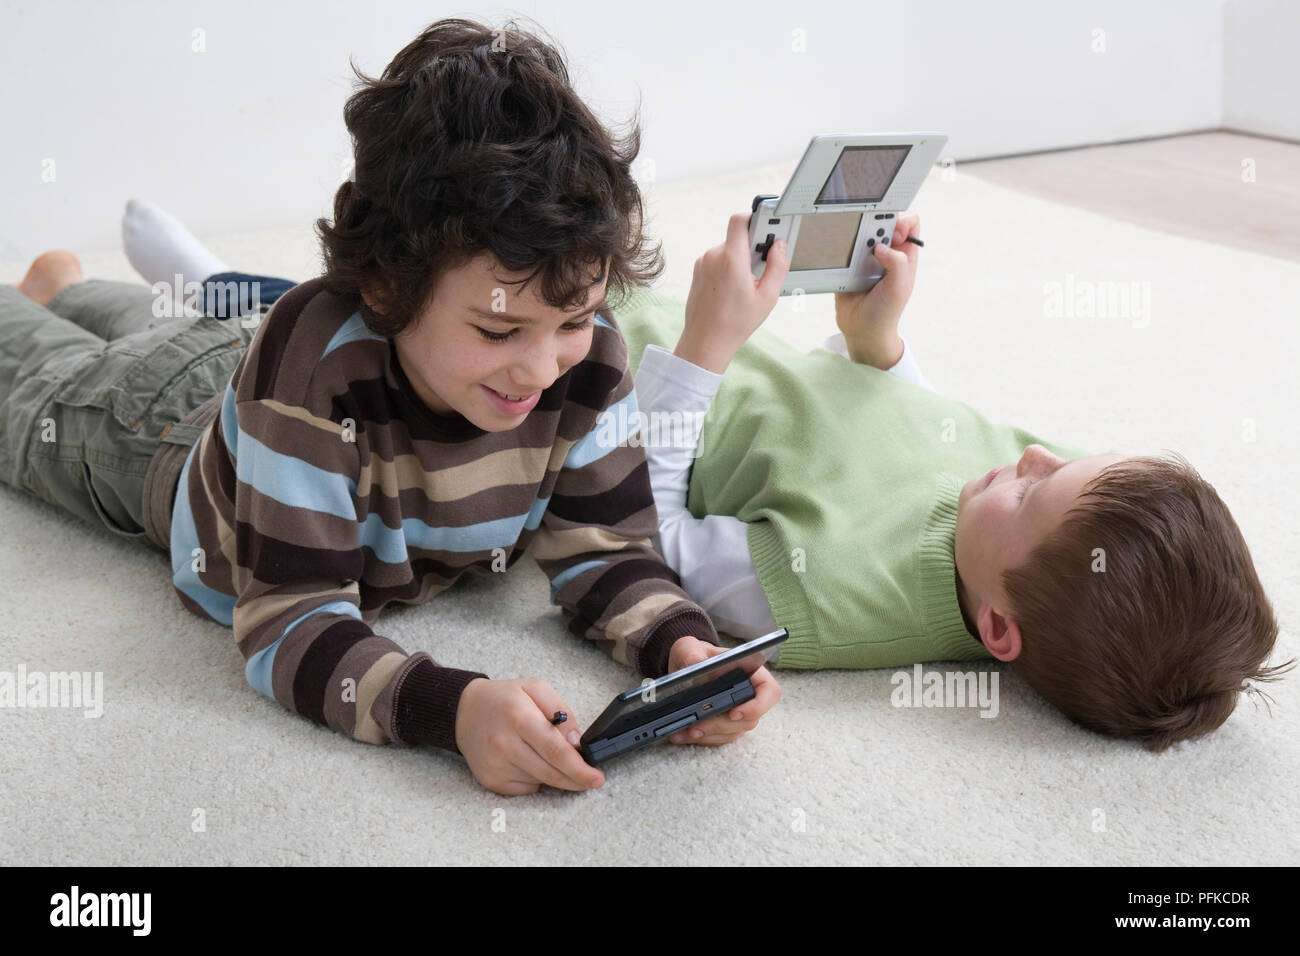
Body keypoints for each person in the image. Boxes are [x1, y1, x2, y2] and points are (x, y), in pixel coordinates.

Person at [0, 17, 785, 797]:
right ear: (384, 288)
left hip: (230, 372)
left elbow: (606, 550)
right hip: (154, 435)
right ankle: (38, 303)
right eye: (498, 329)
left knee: (172, 329)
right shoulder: (311, 368)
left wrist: (682, 649)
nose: (543, 368)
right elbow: (288, 623)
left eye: (573, 321)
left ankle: (66, 286)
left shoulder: (588, 353)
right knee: (41, 388)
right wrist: (456, 710)